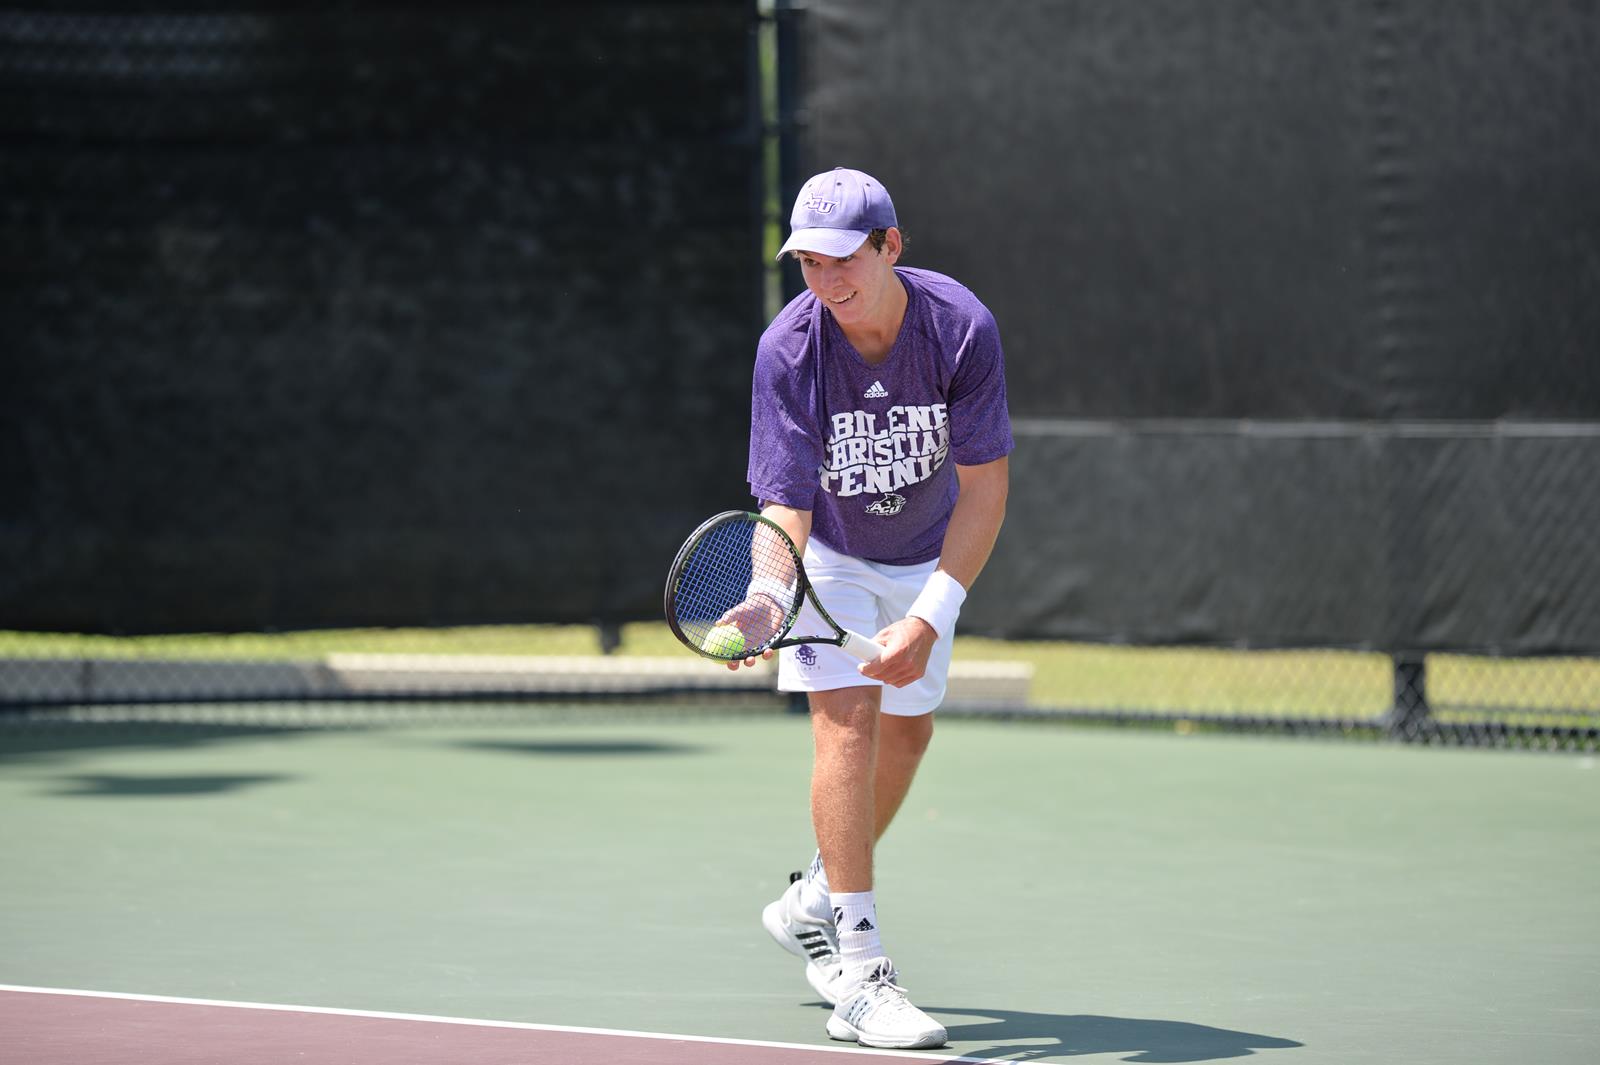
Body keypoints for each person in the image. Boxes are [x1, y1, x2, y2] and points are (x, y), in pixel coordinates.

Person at [733, 167, 1012, 1050]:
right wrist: (768, 594)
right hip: (832, 559)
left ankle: (814, 893)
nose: (826, 280)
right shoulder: (790, 349)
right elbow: (785, 506)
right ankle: (859, 967)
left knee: (910, 732)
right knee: (845, 727)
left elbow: (985, 490)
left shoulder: (958, 327)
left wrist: (929, 612)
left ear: (891, 245)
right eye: (808, 262)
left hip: (926, 557)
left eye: (842, 257)